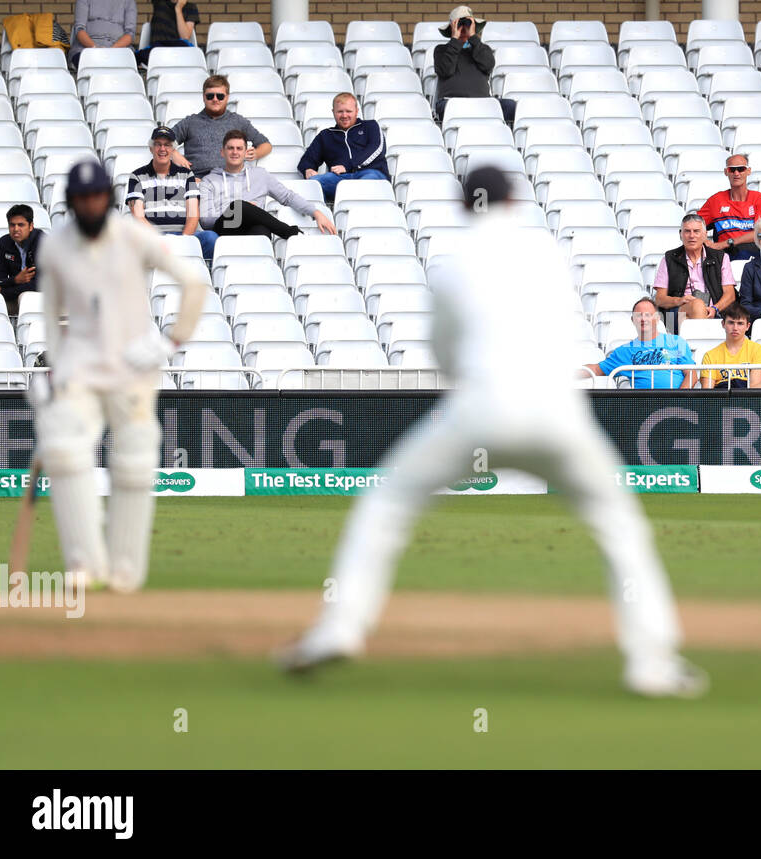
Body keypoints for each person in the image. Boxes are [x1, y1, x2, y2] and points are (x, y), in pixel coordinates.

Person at [280, 167, 705, 698]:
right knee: (621, 527)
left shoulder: (453, 269)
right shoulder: (548, 254)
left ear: (466, 206)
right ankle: (653, 664)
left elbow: (444, 353)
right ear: (514, 203)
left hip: (479, 409)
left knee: (386, 501)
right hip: (556, 413)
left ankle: (339, 629)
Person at [35, 159, 206, 592]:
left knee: (133, 464)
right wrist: (54, 371)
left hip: (132, 367)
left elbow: (193, 283)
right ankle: (84, 563)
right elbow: (52, 317)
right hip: (79, 367)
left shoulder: (133, 236)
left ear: (107, 197)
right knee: (63, 453)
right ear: (72, 203)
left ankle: (125, 570)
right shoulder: (55, 246)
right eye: (81, 199)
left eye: (96, 197)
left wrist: (170, 341)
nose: (90, 206)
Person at [198, 131, 337, 240]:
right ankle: (290, 233)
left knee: (262, 230)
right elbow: (205, 221)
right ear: (222, 152)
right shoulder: (209, 180)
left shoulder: (260, 175)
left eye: (239, 148)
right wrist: (241, 211)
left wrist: (315, 212)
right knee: (239, 207)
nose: (235, 152)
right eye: (230, 148)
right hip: (224, 229)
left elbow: (288, 197)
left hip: (251, 228)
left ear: (246, 152)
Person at [125, 126, 217, 261]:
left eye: (167, 145)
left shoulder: (187, 174)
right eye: (158, 144)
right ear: (151, 148)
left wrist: (184, 241)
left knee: (210, 238)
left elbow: (193, 214)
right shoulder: (137, 176)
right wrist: (158, 240)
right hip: (152, 237)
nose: (162, 149)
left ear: (173, 150)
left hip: (184, 235)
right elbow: (138, 216)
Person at [581, 297, 697, 390]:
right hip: (644, 408)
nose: (643, 319)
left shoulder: (676, 342)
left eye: (648, 315)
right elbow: (597, 369)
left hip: (678, 406)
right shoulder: (625, 351)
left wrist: (678, 398)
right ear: (632, 320)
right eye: (638, 315)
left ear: (657, 318)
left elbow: (691, 375)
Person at [169, 75, 273, 177]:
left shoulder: (238, 121)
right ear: (203, 97)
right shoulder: (190, 122)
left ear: (227, 97)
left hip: (231, 180)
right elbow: (160, 141)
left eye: (220, 96)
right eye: (210, 96)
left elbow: (266, 145)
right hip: (198, 180)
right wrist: (174, 154)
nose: (215, 99)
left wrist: (256, 153)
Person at [296, 93, 390, 202]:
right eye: (340, 111)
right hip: (340, 179)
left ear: (356, 111)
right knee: (314, 182)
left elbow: (376, 149)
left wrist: (348, 166)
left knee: (367, 183)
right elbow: (306, 160)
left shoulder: (371, 126)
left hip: (370, 174)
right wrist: (307, 169)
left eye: (348, 111)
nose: (344, 115)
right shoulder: (325, 135)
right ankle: (324, 216)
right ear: (333, 112)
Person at [432, 5, 515, 124]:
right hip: (452, 103)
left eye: (467, 23)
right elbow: (446, 70)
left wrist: (473, 37)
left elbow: (488, 65)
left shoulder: (482, 49)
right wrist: (455, 39)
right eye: (459, 24)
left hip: (483, 103)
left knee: (510, 106)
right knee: (447, 107)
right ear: (452, 27)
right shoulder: (441, 50)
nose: (463, 27)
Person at [652, 214, 738, 320]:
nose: (691, 236)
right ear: (680, 235)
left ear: (705, 235)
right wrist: (679, 300)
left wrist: (715, 308)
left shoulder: (721, 257)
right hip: (676, 312)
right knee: (697, 305)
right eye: (687, 231)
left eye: (696, 231)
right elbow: (659, 299)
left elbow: (730, 295)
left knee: (697, 309)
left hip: (714, 311)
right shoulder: (669, 258)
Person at [69, 0, 136, 69]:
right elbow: (79, 29)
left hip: (118, 50)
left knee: (125, 65)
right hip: (87, 49)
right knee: (93, 64)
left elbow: (130, 34)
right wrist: (95, 49)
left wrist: (111, 51)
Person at [695, 154, 761, 259]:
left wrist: (726, 243)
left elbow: (760, 233)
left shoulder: (759, 199)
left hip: (753, 257)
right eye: (732, 170)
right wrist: (705, 241)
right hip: (723, 257)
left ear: (748, 171)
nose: (736, 173)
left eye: (741, 169)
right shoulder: (715, 200)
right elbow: (692, 225)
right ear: (726, 172)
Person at [699, 303, 761, 389]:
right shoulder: (710, 355)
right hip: (722, 397)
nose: (735, 328)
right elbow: (707, 393)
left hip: (749, 398)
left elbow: (754, 389)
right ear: (723, 324)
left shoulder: (759, 350)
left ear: (748, 326)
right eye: (731, 323)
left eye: (740, 323)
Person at [136, 0, 199, 66]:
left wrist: (178, 9)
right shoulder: (159, 0)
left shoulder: (190, 7)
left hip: (178, 52)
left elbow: (185, 36)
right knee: (139, 55)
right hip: (157, 51)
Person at [0, 204, 45, 315]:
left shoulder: (42, 242)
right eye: (12, 225)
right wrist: (15, 280)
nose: (16, 229)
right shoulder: (4, 243)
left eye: (21, 225)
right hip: (15, 297)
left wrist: (4, 291)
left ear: (31, 226)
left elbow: (39, 284)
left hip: (43, 298)